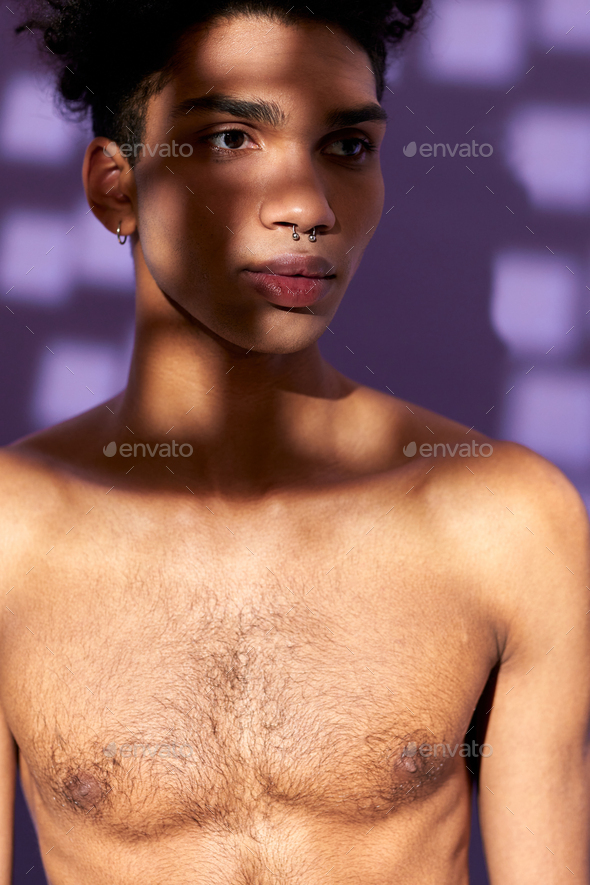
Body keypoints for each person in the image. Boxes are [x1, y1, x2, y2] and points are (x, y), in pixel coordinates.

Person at [1, 1, 589, 883]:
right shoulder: (12, 534)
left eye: (346, 147)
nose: (307, 208)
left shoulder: (504, 520)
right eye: (231, 139)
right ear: (117, 187)